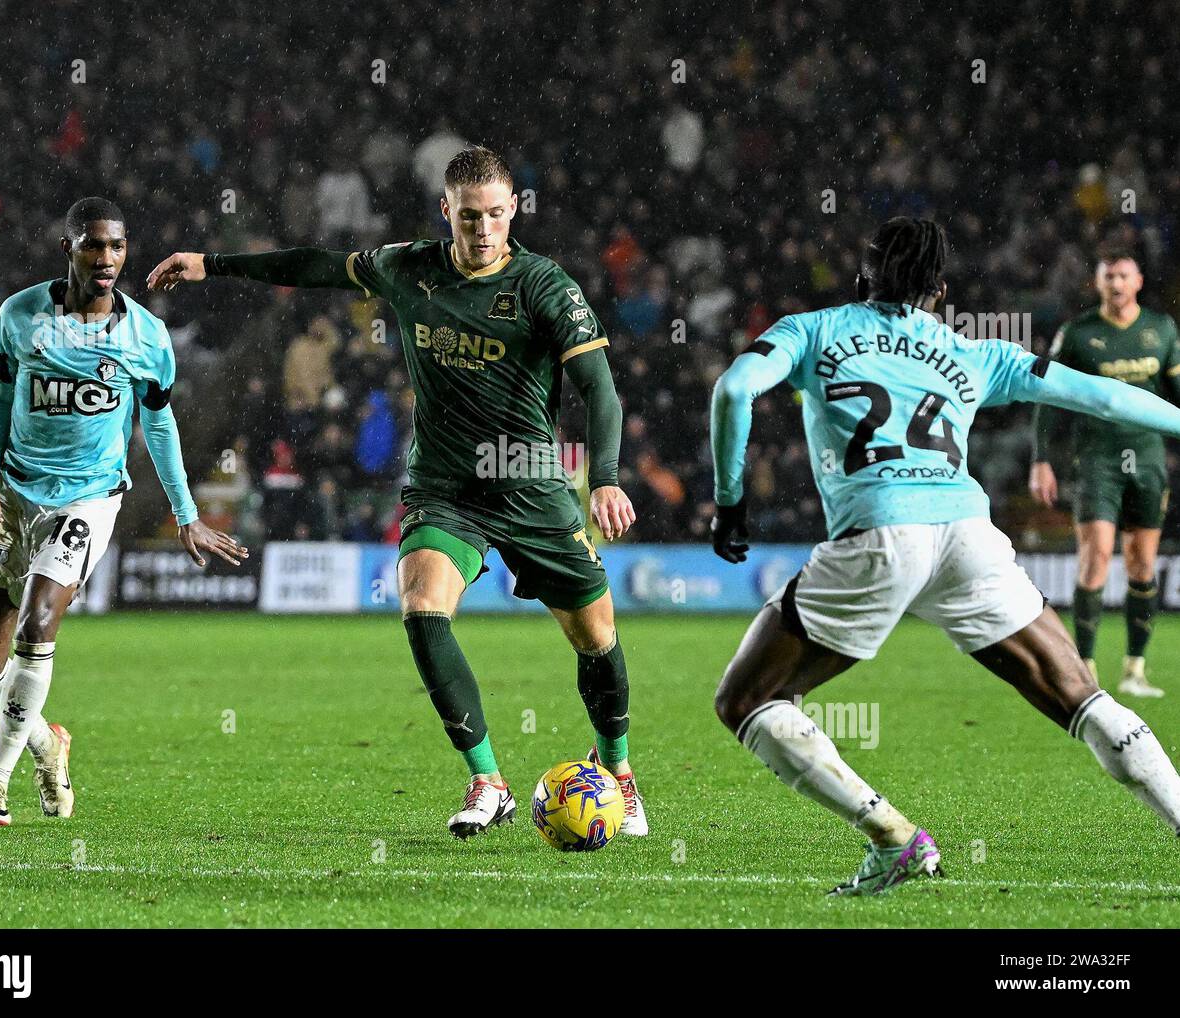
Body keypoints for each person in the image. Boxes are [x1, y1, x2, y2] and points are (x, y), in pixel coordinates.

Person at [147, 147, 648, 840]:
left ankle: (619, 772)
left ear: (514, 212)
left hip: (530, 483)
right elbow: (319, 267)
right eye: (469, 215)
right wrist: (214, 264)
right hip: (446, 486)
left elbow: (599, 390)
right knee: (421, 605)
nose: (482, 229)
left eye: (496, 215)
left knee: (596, 640)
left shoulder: (545, 286)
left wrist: (608, 479)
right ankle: (488, 781)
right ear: (447, 211)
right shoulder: (409, 266)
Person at [710, 217, 1180, 895]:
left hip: (879, 535)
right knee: (1081, 695)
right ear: (940, 291)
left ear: (861, 274)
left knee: (746, 699)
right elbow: (1103, 396)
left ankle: (892, 838)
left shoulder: (812, 329)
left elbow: (732, 389)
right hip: (967, 533)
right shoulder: (975, 352)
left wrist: (730, 501)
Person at [0, 197, 247, 826]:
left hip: (88, 500)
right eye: (93, 245)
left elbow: (159, 425)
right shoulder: (20, 314)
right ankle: (48, 746)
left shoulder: (146, 336)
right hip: (18, 495)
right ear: (69, 248)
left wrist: (186, 511)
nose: (106, 258)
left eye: (116, 246)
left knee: (37, 625)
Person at [1030, 252, 1180, 697]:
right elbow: (1047, 395)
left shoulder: (1162, 329)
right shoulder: (1078, 334)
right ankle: (1085, 667)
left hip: (1149, 460)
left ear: (1138, 281)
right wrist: (1041, 459)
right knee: (1095, 557)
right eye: (1108, 276)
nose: (1115, 283)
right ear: (1098, 283)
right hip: (1097, 460)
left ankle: (1135, 670)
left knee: (1140, 564)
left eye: (1123, 275)